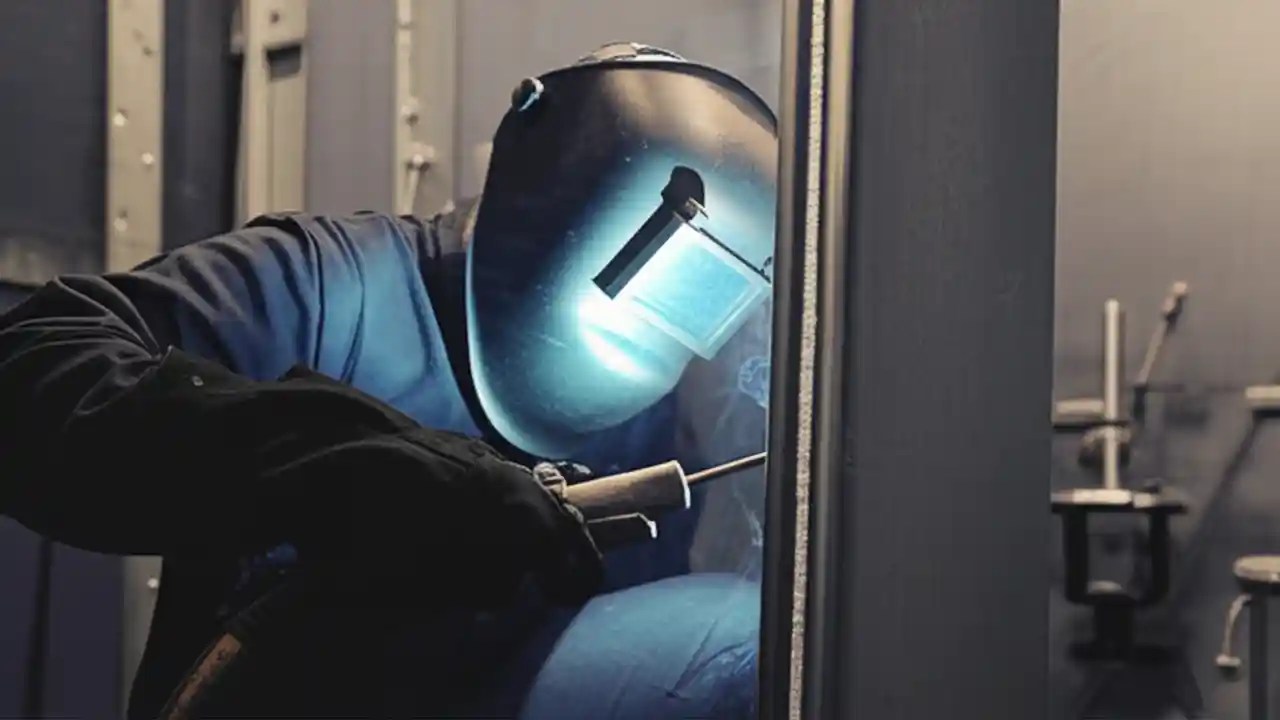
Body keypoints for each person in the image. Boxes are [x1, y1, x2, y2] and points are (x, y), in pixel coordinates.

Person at [0, 42, 777, 718]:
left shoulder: (648, 434)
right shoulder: (333, 288)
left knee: (745, 644)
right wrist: (328, 464)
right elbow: (32, 363)